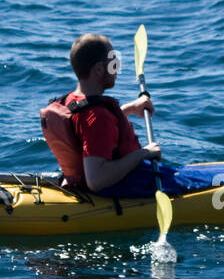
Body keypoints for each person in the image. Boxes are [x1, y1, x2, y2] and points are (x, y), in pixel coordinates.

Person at [40, 33, 160, 191]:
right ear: (98, 69)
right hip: (126, 188)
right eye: (113, 63)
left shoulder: (71, 101)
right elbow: (96, 180)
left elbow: (90, 129)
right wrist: (144, 153)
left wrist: (129, 109)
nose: (117, 68)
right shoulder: (97, 117)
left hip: (81, 185)